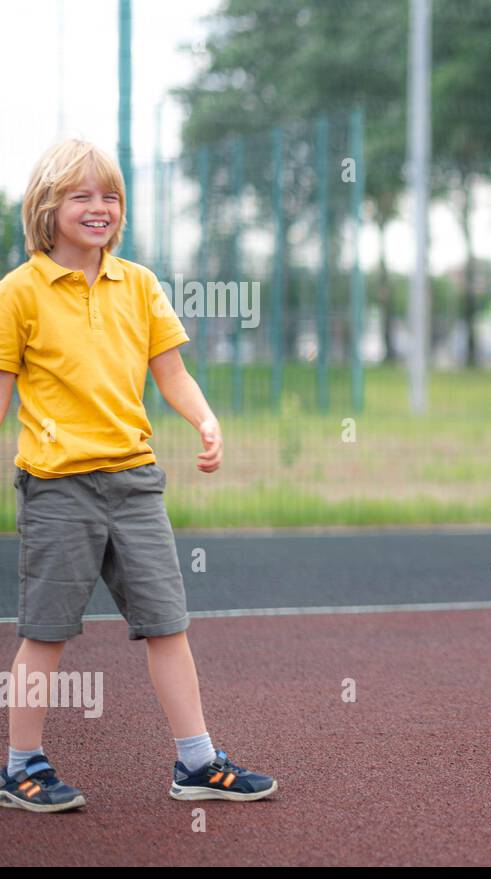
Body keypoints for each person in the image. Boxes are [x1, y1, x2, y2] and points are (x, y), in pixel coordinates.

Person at [0, 140, 276, 810]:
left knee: (167, 624)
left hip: (135, 486)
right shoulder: (19, 293)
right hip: (58, 490)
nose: (100, 208)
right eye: (82, 196)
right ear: (46, 206)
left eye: (110, 196)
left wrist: (205, 422)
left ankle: (196, 762)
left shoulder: (140, 285)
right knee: (46, 631)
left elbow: (172, 373)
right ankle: (20, 766)